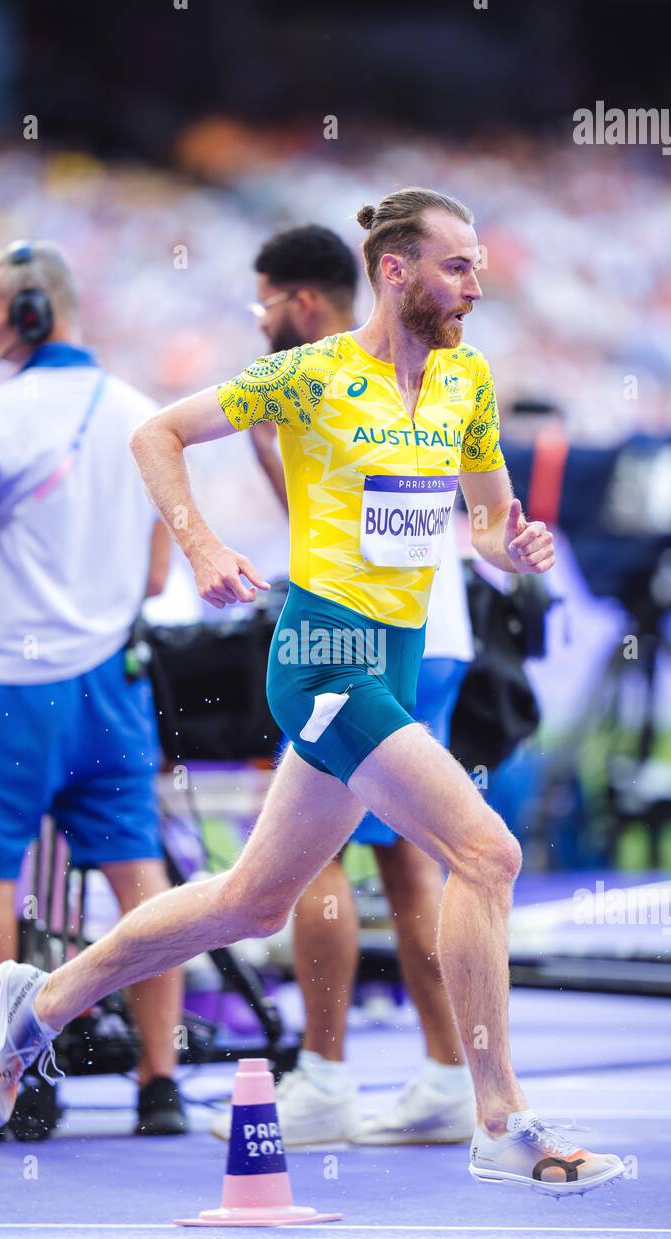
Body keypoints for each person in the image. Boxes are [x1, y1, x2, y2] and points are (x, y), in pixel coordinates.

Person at [0, 191, 624, 1197]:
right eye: (455, 266)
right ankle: (499, 1117)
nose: (475, 284)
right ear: (395, 271)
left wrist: (516, 545)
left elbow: (490, 523)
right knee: (484, 851)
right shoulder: (310, 373)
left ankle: (41, 1001)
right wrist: (200, 544)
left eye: (478, 265)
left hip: (398, 656)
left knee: (251, 901)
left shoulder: (464, 379)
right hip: (323, 655)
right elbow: (155, 433)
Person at [0, 240, 187, 1142]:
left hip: (9, 689)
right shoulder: (144, 411)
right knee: (140, 879)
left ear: (22, 315)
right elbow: (147, 580)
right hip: (111, 682)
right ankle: (160, 1082)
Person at [211, 224, 476, 1146]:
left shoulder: (317, 381)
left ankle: (325, 1074)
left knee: (320, 855)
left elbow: (318, 528)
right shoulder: (425, 373)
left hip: (366, 633)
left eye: (265, 305)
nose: (261, 323)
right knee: (413, 854)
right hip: (435, 628)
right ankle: (446, 1069)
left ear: (305, 302)